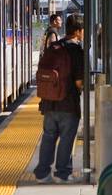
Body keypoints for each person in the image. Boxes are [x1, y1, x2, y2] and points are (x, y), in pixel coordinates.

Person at [34, 12, 85, 183]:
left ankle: (42, 173)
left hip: (49, 101)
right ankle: (62, 173)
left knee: (49, 136)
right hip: (68, 103)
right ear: (77, 31)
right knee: (66, 138)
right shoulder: (76, 49)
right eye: (83, 30)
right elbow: (79, 82)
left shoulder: (55, 47)